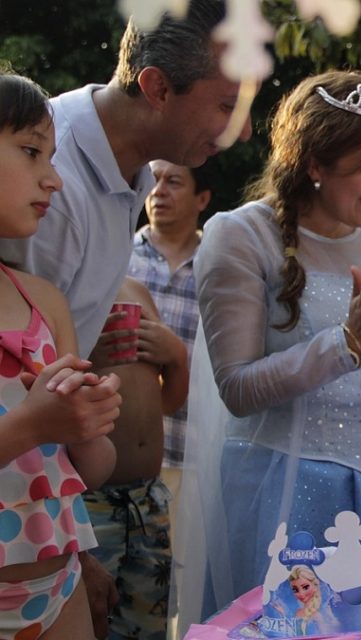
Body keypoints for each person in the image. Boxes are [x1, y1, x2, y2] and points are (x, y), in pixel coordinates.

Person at [186, 68, 361, 615]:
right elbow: (236, 388)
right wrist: (347, 342)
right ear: (313, 165)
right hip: (286, 489)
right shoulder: (240, 236)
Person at [0, 0, 254, 360]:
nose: (244, 132)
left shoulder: (130, 171)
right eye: (229, 107)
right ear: (158, 89)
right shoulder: (49, 190)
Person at [0, 71, 122, 640]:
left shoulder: (43, 301)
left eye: (52, 157)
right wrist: (28, 425)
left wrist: (88, 425)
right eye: (30, 152)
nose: (53, 180)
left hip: (58, 588)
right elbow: (28, 434)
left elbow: (88, 470)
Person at [84, 277, 188, 639]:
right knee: (89, 618)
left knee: (148, 627)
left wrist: (176, 356)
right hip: (89, 503)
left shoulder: (135, 291)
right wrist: (86, 355)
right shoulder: (65, 286)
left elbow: (168, 403)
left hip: (146, 502)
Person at [128, 160, 209, 534]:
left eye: (173, 181)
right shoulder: (120, 257)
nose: (158, 191)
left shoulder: (219, 265)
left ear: (202, 198)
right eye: (152, 180)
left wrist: (175, 355)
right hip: (126, 457)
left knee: (187, 584)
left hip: (197, 455)